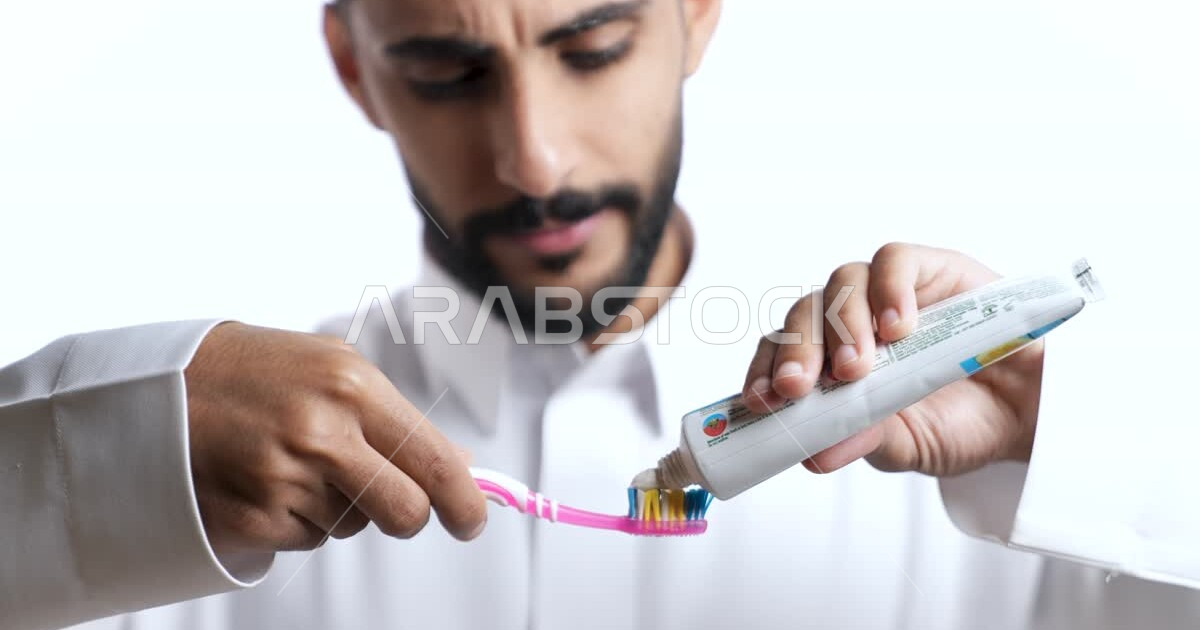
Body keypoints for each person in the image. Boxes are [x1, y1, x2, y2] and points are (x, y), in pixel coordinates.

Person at [2, 0, 1198, 628]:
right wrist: (104, 449)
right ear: (355, 68)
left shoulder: (1010, 501)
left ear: (698, 12)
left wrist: (1080, 442)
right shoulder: (183, 513)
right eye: (446, 72)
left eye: (595, 46)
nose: (535, 158)